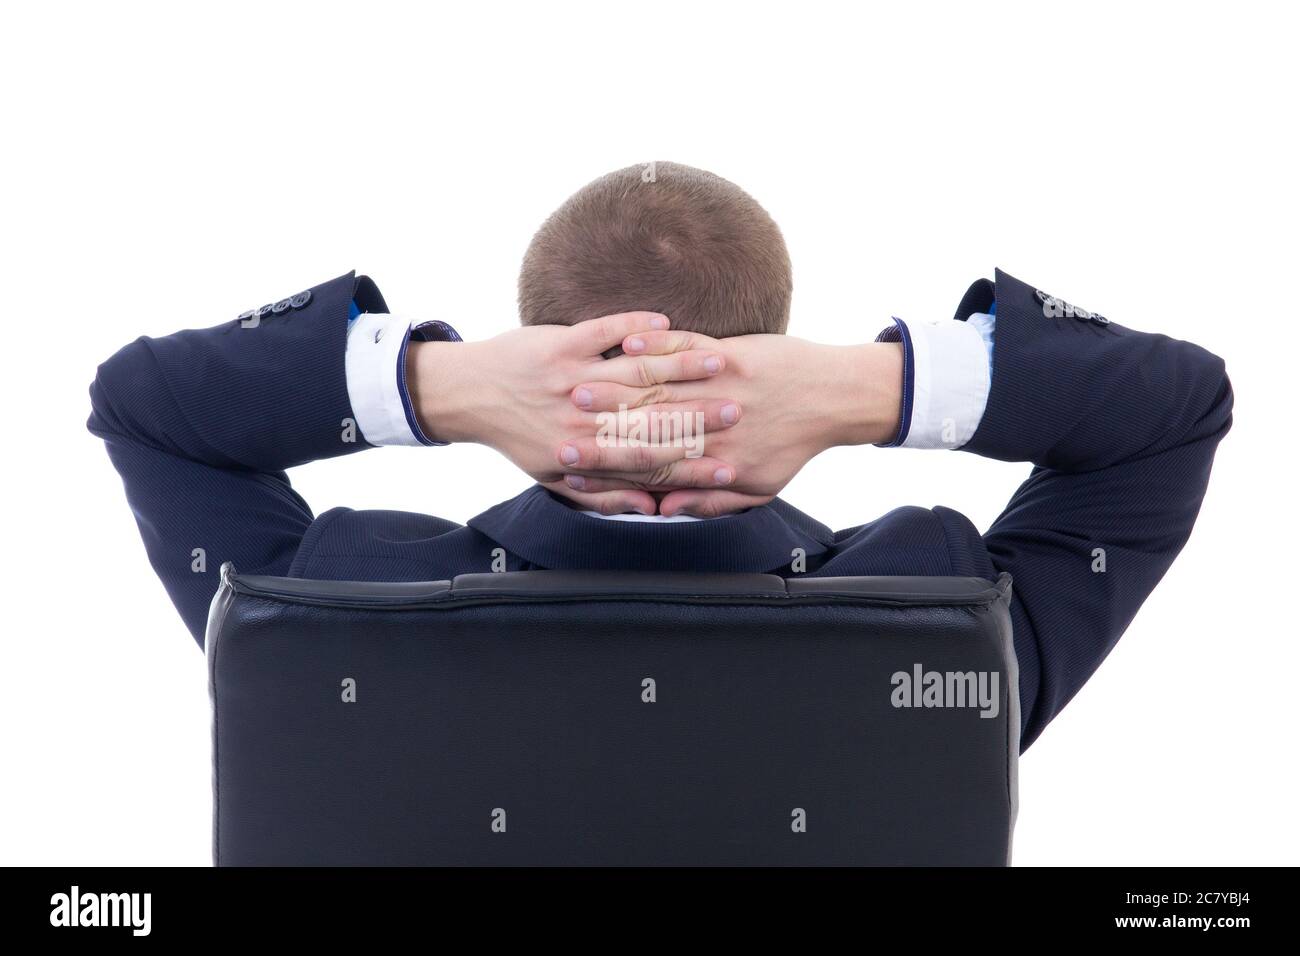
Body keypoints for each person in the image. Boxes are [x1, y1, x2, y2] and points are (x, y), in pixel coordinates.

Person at [88, 162, 1232, 750]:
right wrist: (857, 388)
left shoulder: (331, 599)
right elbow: (1172, 410)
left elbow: (144, 405)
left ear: (535, 348)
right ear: (771, 350)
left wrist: (440, 383)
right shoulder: (944, 611)